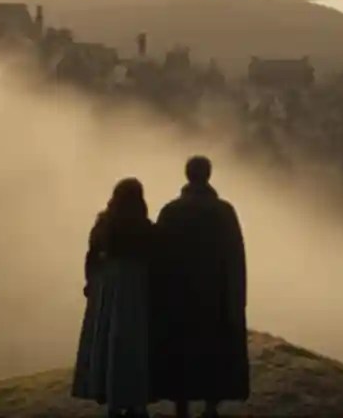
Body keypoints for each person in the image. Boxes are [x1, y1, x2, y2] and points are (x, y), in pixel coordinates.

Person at [152, 156, 249, 418]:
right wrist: (236, 297)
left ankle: (181, 406)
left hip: (178, 296)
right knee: (213, 350)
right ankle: (210, 406)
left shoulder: (171, 212)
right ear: (208, 175)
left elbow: (158, 257)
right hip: (215, 295)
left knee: (180, 350)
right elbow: (235, 258)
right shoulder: (224, 212)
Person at [73, 178, 155, 417]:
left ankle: (113, 401)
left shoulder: (104, 224)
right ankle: (136, 403)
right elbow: (155, 258)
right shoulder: (145, 227)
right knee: (135, 345)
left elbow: (92, 256)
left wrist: (91, 283)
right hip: (137, 290)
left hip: (108, 289)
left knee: (109, 344)